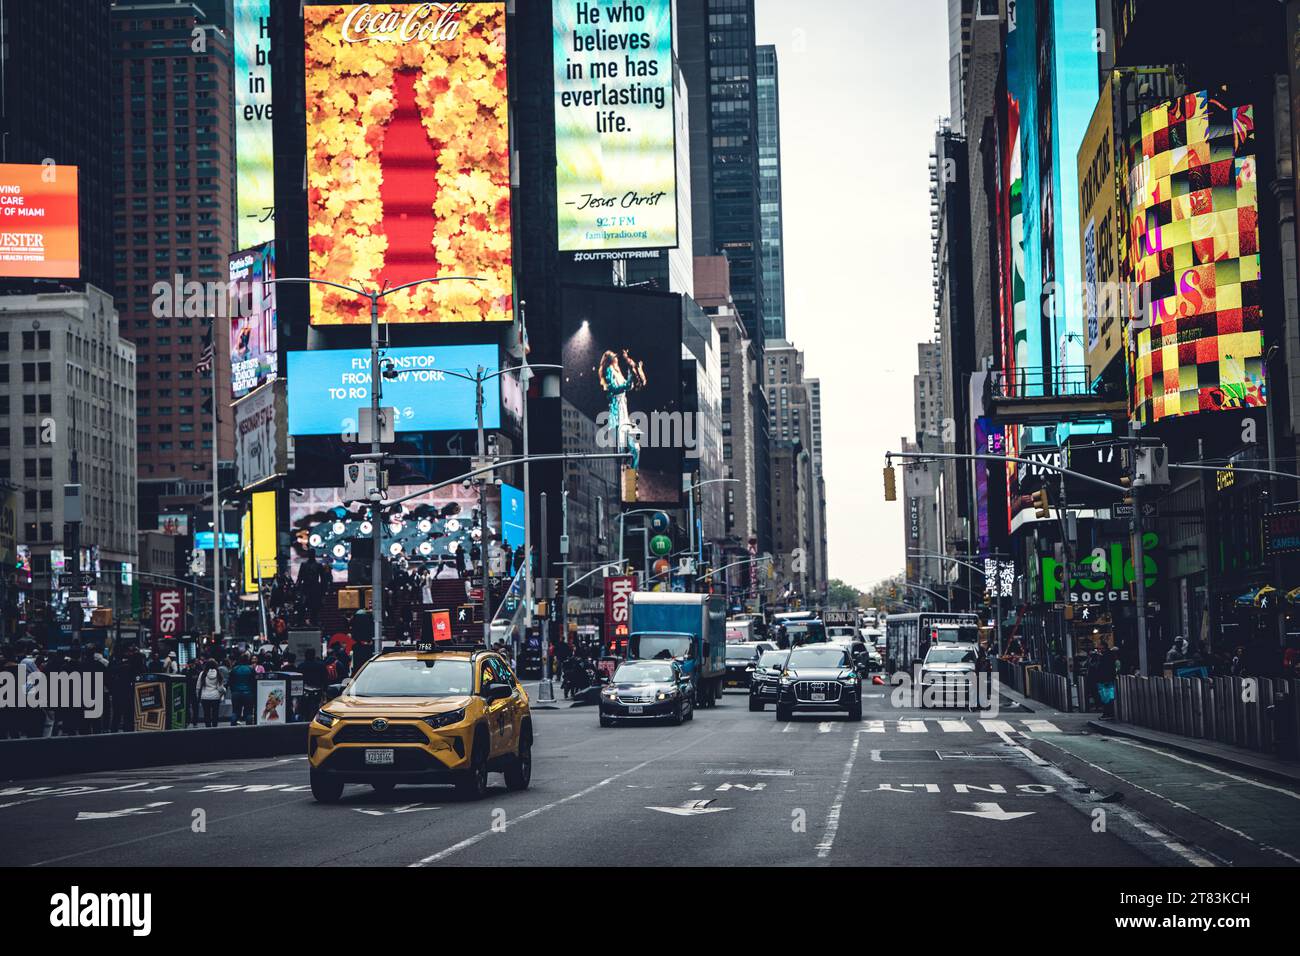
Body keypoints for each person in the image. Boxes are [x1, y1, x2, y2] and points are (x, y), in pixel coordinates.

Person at [228, 653, 257, 726]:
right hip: (248, 693)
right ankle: (249, 729)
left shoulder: (235, 669)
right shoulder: (251, 669)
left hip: (236, 693)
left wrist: (233, 691)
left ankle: (232, 728)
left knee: (235, 712)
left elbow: (230, 682)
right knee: (249, 712)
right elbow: (254, 681)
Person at [196, 658, 225, 727]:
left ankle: (208, 728)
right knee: (215, 714)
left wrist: (198, 696)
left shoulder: (202, 674)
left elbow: (198, 687)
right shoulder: (218, 674)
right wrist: (223, 692)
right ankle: (214, 728)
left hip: (205, 697)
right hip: (215, 697)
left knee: (206, 714)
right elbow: (220, 688)